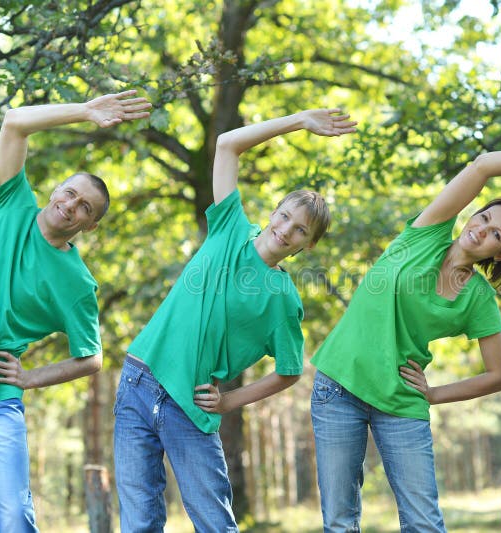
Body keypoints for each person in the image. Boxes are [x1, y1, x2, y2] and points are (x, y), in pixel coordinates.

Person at [310, 145, 501, 532]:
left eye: (497, 235)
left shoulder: (478, 298)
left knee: (425, 524)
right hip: (338, 388)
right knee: (340, 522)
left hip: (401, 403)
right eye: (485, 217)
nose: (482, 230)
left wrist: (434, 393)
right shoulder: (427, 233)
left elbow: (499, 375)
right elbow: (484, 166)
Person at [113, 108, 357, 532]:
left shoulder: (283, 299)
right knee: (139, 521)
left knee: (214, 523)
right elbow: (227, 143)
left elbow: (289, 371)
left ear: (309, 245)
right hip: (136, 379)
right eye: (285, 216)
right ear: (273, 211)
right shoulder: (229, 227)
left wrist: (228, 402)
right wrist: (299, 120)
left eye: (301, 230)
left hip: (189, 403)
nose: (286, 230)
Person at [0, 90, 151, 531]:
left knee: (14, 519)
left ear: (90, 225)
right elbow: (14, 121)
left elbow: (91, 357)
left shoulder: (77, 282)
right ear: (55, 189)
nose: (70, 205)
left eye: (84, 207)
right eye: (69, 193)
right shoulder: (7, 199)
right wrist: (86, 112)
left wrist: (31, 377)